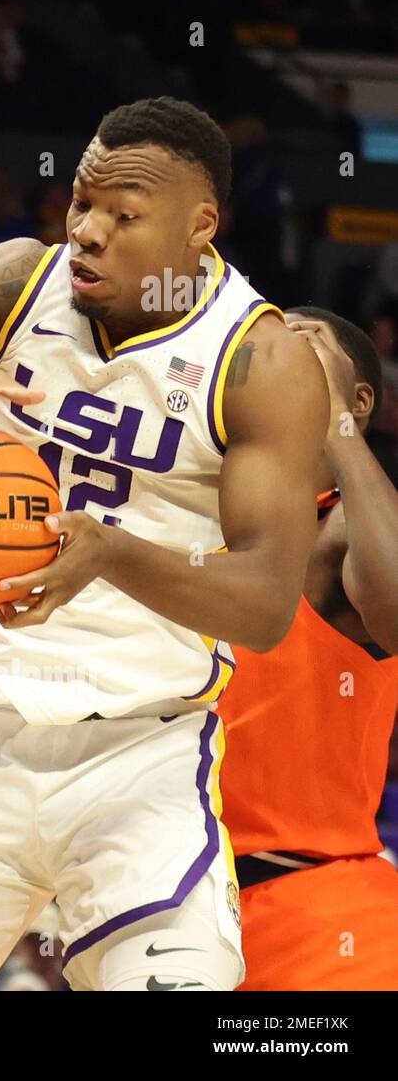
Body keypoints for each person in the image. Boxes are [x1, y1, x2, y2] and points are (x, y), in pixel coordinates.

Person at [0, 96, 330, 992]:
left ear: (200, 226)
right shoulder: (18, 278)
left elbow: (263, 605)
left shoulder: (259, 359)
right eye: (81, 202)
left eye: (123, 216)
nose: (87, 231)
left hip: (143, 757)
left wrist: (112, 555)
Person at [218, 308, 398, 989]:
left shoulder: (338, 528)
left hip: (318, 922)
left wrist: (337, 428)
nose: (279, 346)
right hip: (150, 907)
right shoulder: (174, 512)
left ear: (360, 399)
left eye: (306, 340)